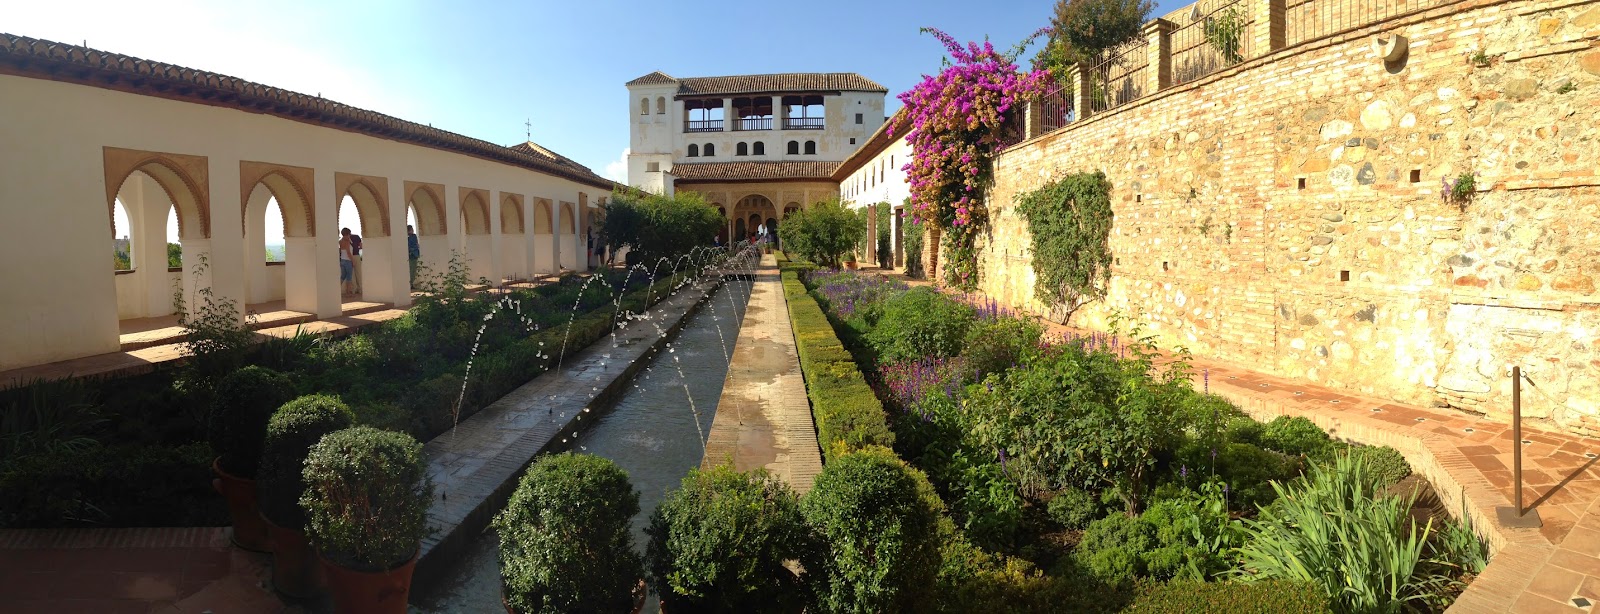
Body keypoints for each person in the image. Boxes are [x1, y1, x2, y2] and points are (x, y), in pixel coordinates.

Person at [338, 227, 355, 296]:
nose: (349, 236)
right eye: (349, 234)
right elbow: (348, 252)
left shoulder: (340, 241)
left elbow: (340, 251)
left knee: (342, 276)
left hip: (342, 260)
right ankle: (348, 292)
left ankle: (336, 289)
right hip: (348, 261)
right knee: (349, 277)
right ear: (346, 234)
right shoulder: (347, 242)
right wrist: (353, 261)